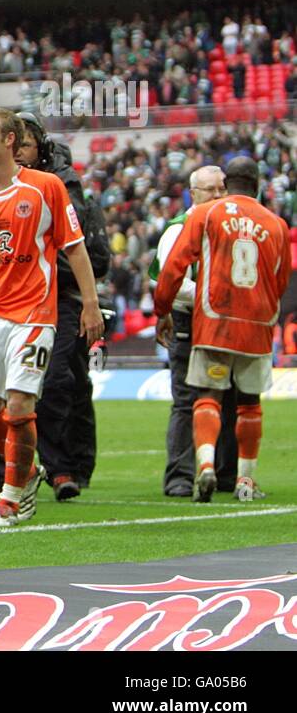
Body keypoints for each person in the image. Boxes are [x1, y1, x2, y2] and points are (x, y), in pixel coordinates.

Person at [0, 108, 103, 528]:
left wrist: (90, 304)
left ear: (10, 141)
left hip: (35, 311)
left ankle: (11, 499)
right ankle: (27, 468)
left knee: (20, 403)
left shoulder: (46, 187)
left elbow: (74, 247)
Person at [153, 157, 290, 503]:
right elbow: (281, 278)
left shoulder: (205, 214)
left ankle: (206, 467)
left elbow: (172, 269)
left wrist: (162, 309)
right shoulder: (276, 224)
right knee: (248, 405)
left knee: (207, 396)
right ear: (258, 185)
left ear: (227, 184)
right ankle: (245, 481)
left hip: (214, 322)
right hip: (257, 325)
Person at [10, 115, 110, 498]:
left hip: (57, 298)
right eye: (13, 143)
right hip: (12, 300)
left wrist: (89, 302)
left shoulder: (59, 186)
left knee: (58, 382)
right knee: (6, 391)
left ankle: (63, 467)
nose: (18, 152)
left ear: (41, 150)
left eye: (24, 145)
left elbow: (77, 250)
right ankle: (11, 469)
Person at [149, 165, 239, 497]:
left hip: (226, 321)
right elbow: (169, 282)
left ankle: (225, 474)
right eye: (210, 190)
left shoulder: (230, 226)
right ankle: (180, 477)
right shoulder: (178, 229)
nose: (217, 196)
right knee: (188, 400)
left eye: (221, 189)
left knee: (228, 397)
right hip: (191, 319)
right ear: (193, 194)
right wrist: (215, 292)